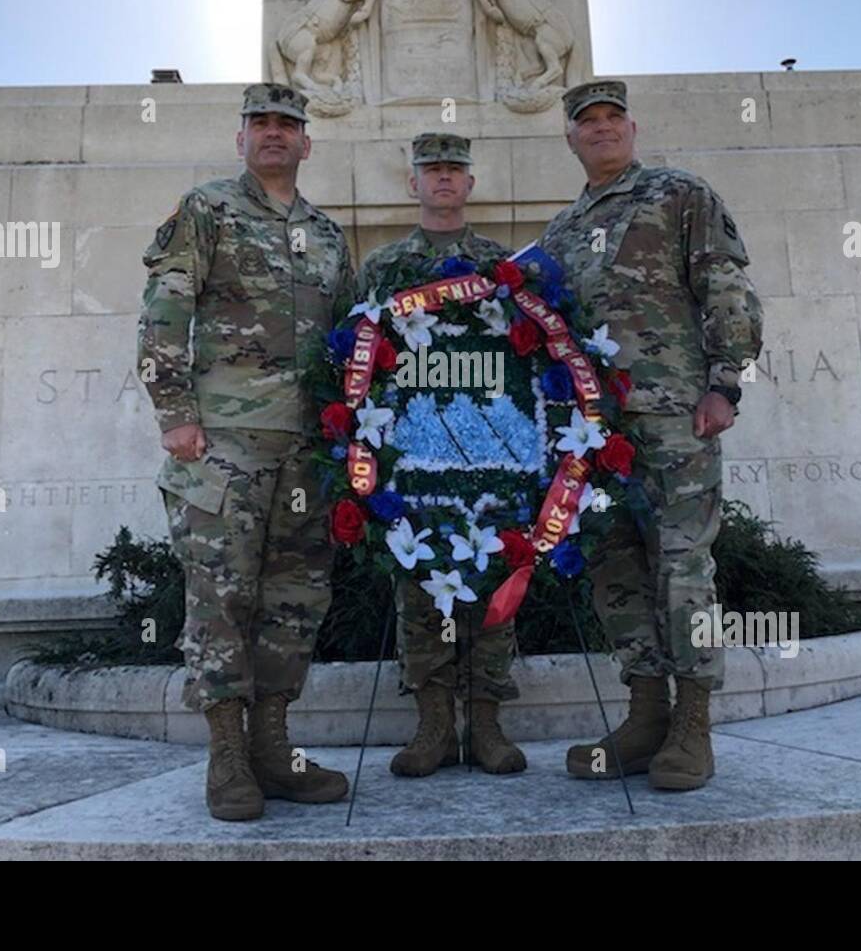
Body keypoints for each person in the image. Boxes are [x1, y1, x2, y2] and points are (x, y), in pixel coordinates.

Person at [137, 82, 356, 820]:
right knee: (223, 599)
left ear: (305, 143)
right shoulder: (207, 209)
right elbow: (165, 310)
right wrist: (175, 412)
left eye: (286, 125)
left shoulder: (328, 236)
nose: (273, 134)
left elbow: (350, 346)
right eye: (259, 123)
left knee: (295, 602)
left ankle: (273, 746)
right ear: (240, 139)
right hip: (224, 445)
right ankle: (227, 758)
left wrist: (352, 433)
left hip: (307, 452)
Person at [539, 80, 764, 790]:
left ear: (631, 128)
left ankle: (693, 721)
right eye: (587, 123)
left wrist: (725, 382)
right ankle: (644, 714)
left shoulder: (678, 193)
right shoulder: (561, 231)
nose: (601, 130)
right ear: (571, 138)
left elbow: (724, 285)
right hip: (596, 430)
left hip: (674, 415)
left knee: (682, 563)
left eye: (612, 119)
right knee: (614, 565)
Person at [358, 132, 527, 777]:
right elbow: (362, 355)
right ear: (413, 184)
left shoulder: (502, 264)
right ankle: (432, 726)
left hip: (490, 442)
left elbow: (525, 352)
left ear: (471, 183)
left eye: (455, 169)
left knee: (490, 583)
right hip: (414, 447)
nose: (445, 179)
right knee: (421, 583)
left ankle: (486, 724)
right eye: (432, 170)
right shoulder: (384, 268)